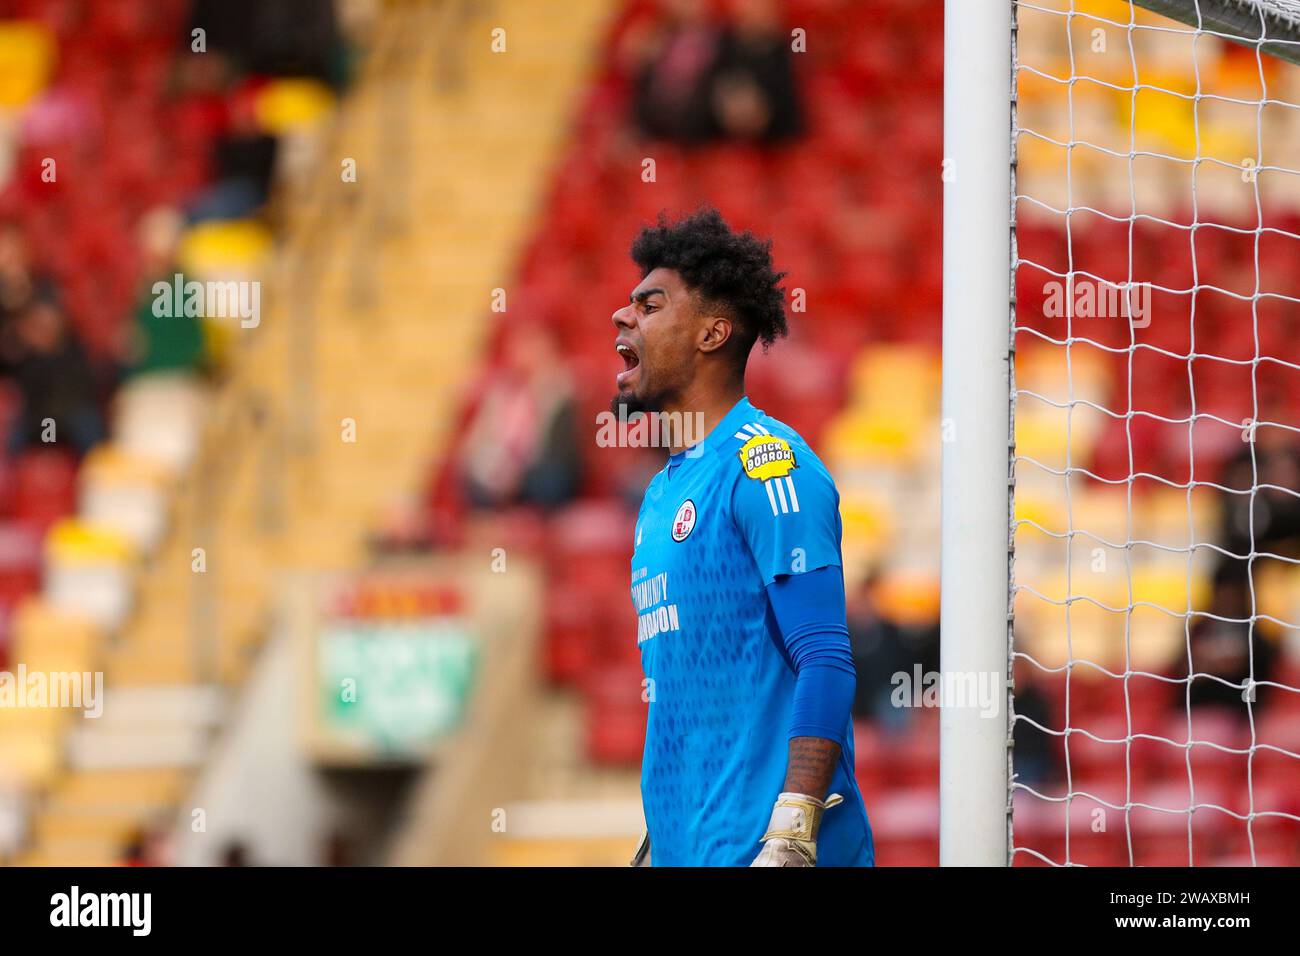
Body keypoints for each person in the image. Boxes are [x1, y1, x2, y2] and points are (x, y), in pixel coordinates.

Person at [613, 207, 872, 866]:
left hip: (768, 851)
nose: (623, 317)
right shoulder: (661, 495)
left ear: (713, 333)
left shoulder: (768, 466)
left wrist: (792, 832)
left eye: (649, 304)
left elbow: (825, 660)